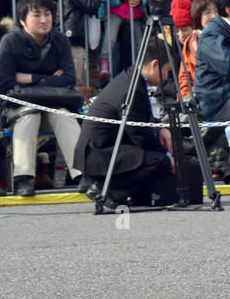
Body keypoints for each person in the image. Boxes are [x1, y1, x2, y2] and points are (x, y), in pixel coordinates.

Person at [0, 0, 83, 196]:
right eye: (37, 15)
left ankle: (83, 174)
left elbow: (68, 79)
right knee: (29, 116)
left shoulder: (59, 40)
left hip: (54, 102)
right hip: (19, 106)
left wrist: (30, 78)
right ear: (22, 20)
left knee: (65, 116)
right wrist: (51, 78)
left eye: (47, 14)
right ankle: (24, 178)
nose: (44, 20)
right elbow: (5, 83)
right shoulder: (10, 41)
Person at [74, 37, 178, 205]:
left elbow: (140, 123)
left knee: (155, 156)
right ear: (154, 65)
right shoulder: (132, 89)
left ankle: (120, 192)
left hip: (103, 148)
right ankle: (106, 190)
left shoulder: (131, 78)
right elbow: (139, 134)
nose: (166, 77)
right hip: (100, 152)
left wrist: (160, 129)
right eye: (166, 71)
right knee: (160, 162)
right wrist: (167, 155)